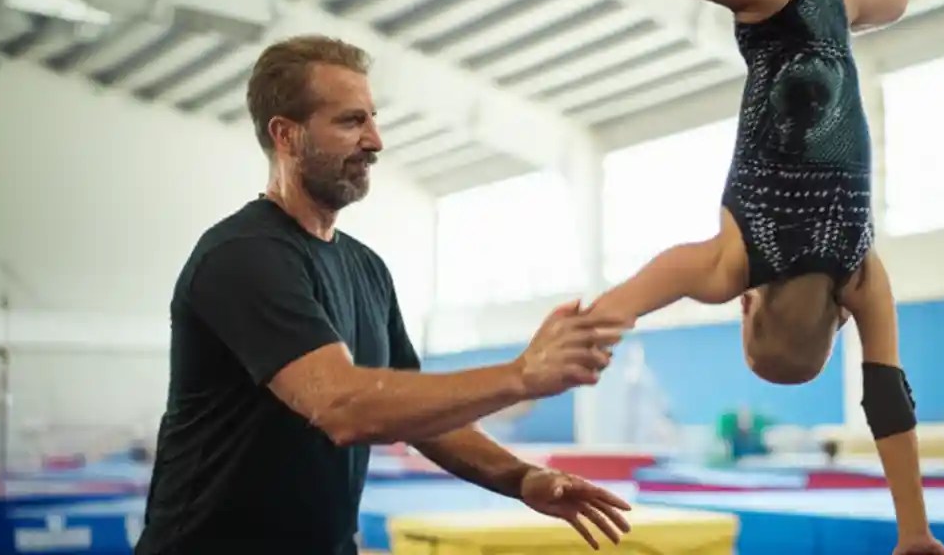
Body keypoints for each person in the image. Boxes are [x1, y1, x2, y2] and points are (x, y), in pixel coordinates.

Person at [349, 0, 944, 553]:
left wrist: (916, 531)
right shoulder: (731, 267)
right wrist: (547, 366)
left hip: (837, 6)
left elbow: (887, 396)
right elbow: (617, 309)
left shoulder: (860, 274)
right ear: (748, 309)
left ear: (834, 324)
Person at [135, 35, 631, 554]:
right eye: (351, 122)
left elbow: (418, 415)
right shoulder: (243, 257)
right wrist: (521, 375)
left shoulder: (366, 269)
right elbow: (342, 406)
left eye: (372, 119)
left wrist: (522, 478)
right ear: (286, 135)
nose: (375, 140)